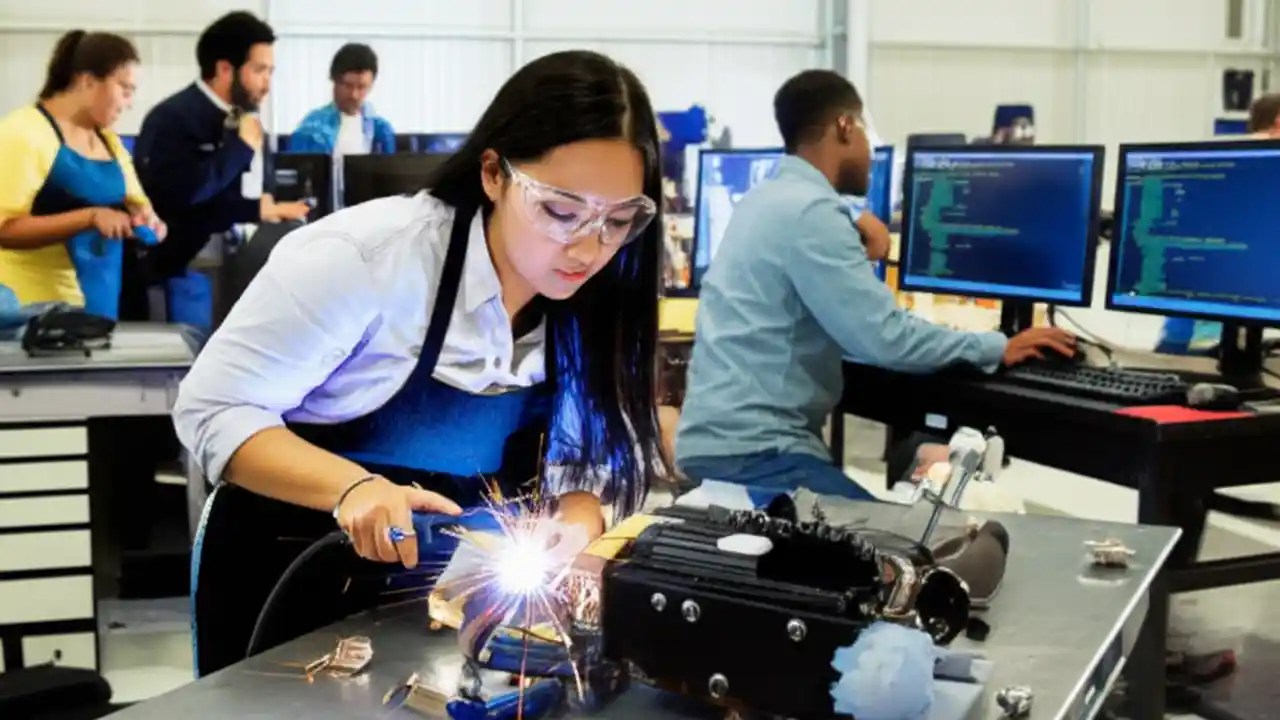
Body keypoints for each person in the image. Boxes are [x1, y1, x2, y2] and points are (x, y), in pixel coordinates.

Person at [176, 50, 668, 676]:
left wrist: (579, 513)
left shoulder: (594, 296)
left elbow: (586, 458)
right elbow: (211, 407)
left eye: (619, 220)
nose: (589, 247)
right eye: (561, 212)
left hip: (450, 602)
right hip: (285, 578)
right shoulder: (366, 261)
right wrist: (352, 487)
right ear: (494, 174)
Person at [675, 70, 1075, 499]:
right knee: (905, 555)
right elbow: (884, 338)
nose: (868, 149)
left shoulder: (764, 200)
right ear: (846, 126)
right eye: (864, 129)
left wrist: (846, 223)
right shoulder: (812, 214)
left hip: (722, 447)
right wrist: (996, 346)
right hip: (762, 457)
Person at [130, 11, 308, 321]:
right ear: (225, 69)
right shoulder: (172, 119)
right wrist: (241, 160)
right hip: (186, 272)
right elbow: (184, 196)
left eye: (270, 71)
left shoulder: (244, 119)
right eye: (259, 70)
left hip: (244, 261)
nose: (267, 84)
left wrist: (268, 205)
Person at [0, 30, 165, 318]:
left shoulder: (108, 142)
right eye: (124, 90)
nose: (129, 103)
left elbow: (137, 202)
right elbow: (4, 229)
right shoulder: (24, 133)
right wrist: (89, 217)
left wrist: (147, 219)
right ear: (87, 81)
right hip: (29, 314)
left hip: (95, 311)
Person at [288, 43, 396, 155]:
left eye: (361, 87)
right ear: (334, 80)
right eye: (348, 86)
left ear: (371, 85)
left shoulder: (381, 131)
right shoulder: (311, 130)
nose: (354, 95)